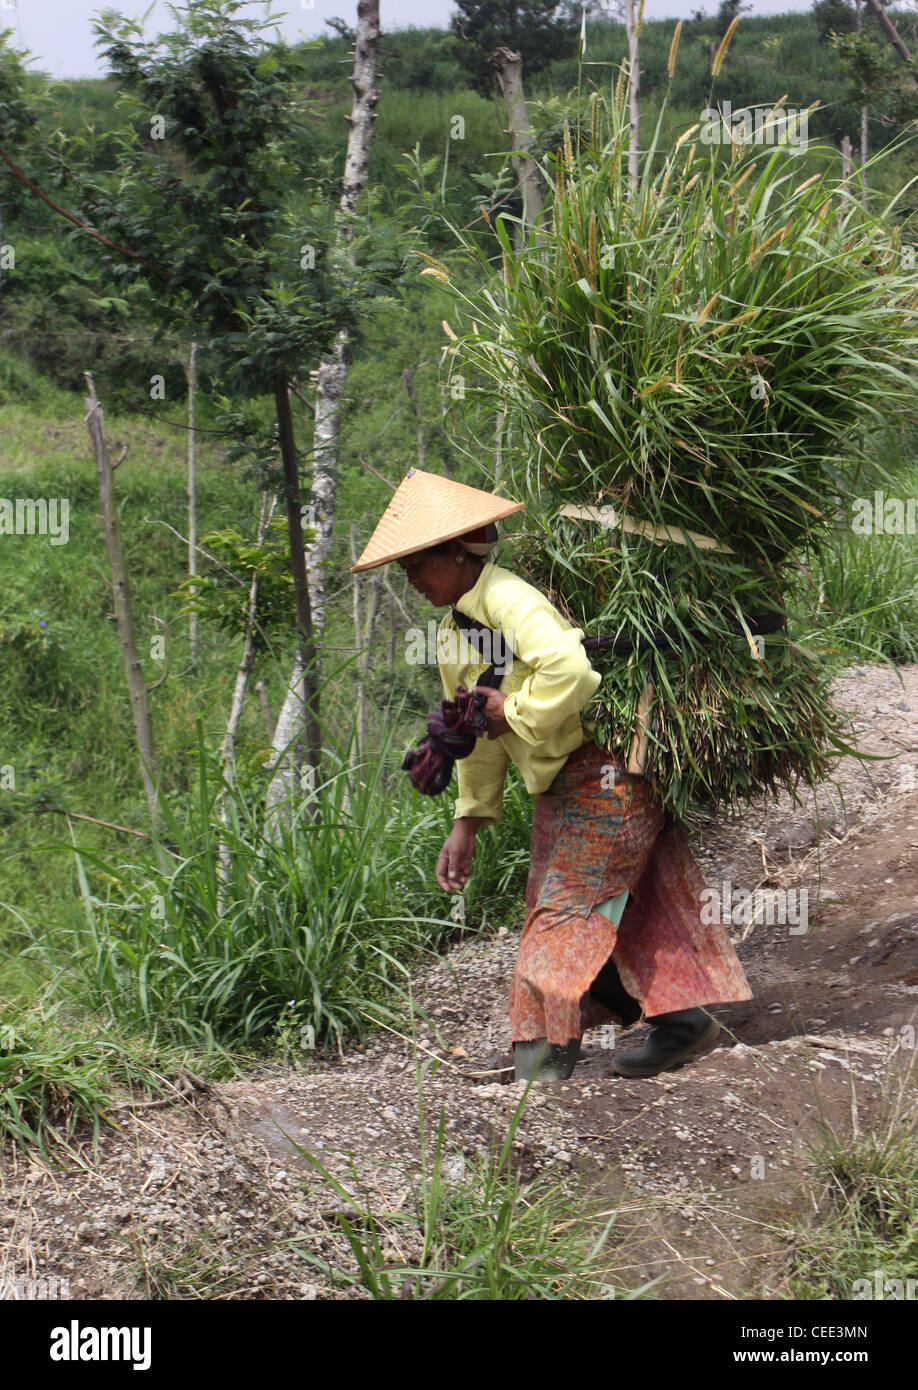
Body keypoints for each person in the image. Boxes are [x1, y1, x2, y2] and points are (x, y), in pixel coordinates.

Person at [351, 467, 752, 1082]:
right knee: (630, 909)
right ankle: (681, 1021)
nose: (411, 581)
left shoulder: (510, 599)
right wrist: (468, 822)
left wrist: (511, 710)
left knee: (561, 913)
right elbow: (475, 735)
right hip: (561, 785)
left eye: (417, 566)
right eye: (403, 571)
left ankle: (541, 1058)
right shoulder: (453, 634)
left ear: (458, 554)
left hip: (608, 775)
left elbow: (573, 672)